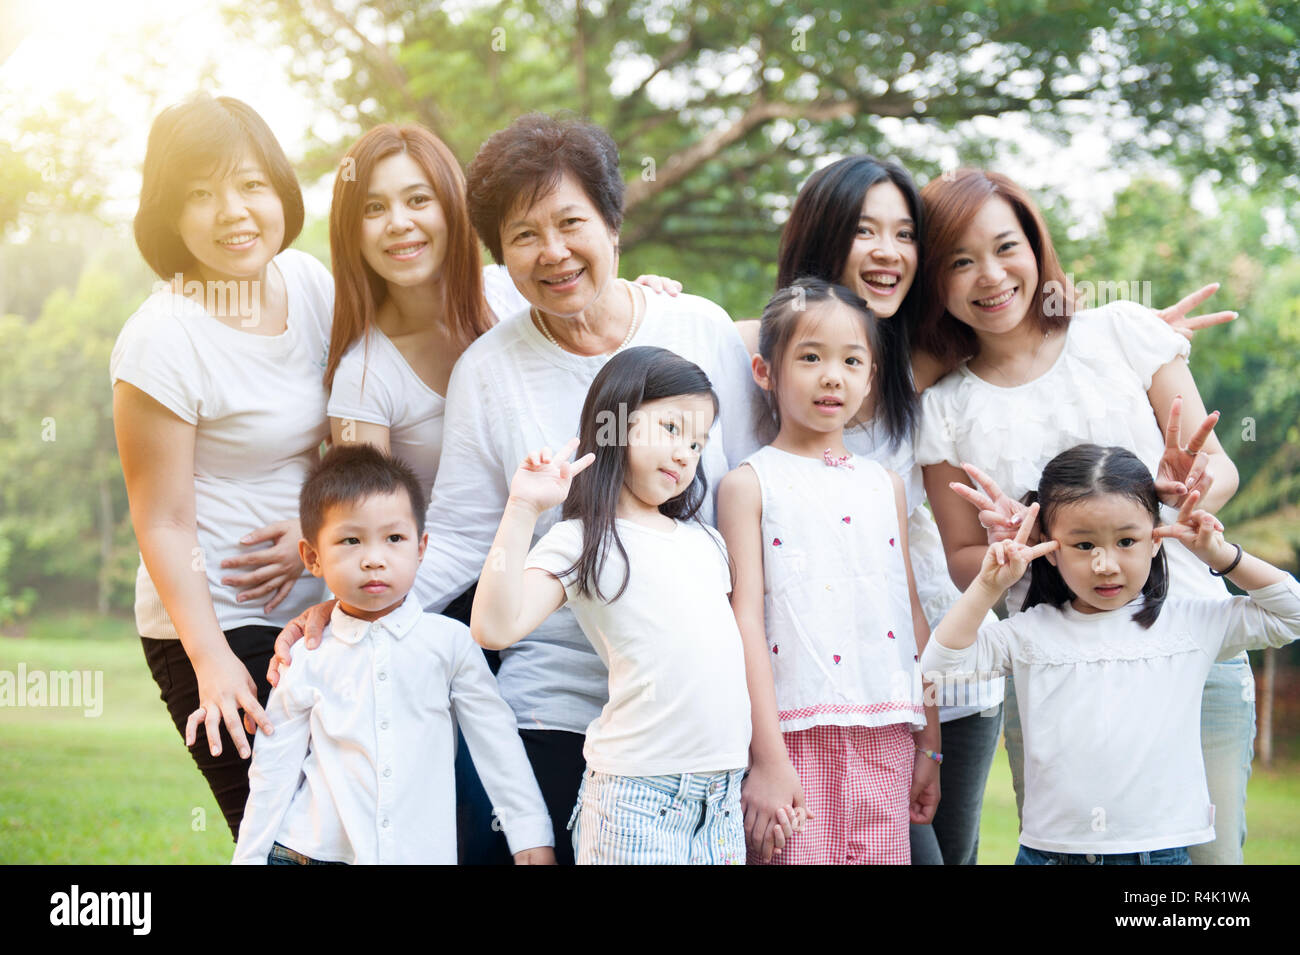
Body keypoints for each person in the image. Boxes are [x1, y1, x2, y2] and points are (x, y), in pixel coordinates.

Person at [270, 113, 761, 865]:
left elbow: (750, 499)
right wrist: (345, 610)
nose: (554, 252)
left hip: (696, 703)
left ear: (614, 225)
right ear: (500, 255)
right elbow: (466, 534)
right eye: (525, 235)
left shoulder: (696, 329)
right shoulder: (489, 370)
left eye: (571, 223)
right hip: (554, 695)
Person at [914, 168, 1253, 864]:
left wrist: (1174, 504)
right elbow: (956, 554)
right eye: (959, 261)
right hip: (1058, 679)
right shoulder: (943, 406)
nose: (990, 275)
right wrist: (1020, 545)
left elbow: (1217, 466)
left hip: (1189, 644)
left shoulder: (1121, 332)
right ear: (935, 281)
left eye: (1006, 246)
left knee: (1214, 870)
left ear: (1037, 245)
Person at [112, 93, 334, 838]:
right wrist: (210, 660)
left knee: (351, 830)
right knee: (280, 836)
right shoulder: (161, 339)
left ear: (280, 190)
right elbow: (162, 519)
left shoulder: (308, 285)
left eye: (250, 184)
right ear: (169, 215)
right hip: (213, 622)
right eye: (200, 194)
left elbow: (355, 423)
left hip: (320, 608)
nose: (233, 211)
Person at [771, 156, 1004, 865]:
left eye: (904, 235)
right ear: (822, 238)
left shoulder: (925, 360)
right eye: (865, 230)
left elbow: (1029, 323)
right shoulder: (764, 357)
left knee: (943, 852)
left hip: (943, 677)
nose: (888, 251)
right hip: (813, 693)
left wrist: (1128, 327)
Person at [921, 444, 1300, 865]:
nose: (1105, 564)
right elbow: (939, 668)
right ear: (1048, 544)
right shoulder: (1031, 632)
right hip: (1051, 855)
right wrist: (989, 585)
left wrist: (1221, 555)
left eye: (1126, 540)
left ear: (1156, 538)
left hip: (1159, 854)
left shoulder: (1190, 624)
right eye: (1083, 545)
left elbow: (1292, 615)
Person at [472, 348, 758, 864]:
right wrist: (521, 509)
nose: (684, 453)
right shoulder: (582, 540)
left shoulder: (707, 543)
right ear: (617, 421)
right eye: (671, 428)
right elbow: (493, 627)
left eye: (697, 442)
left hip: (719, 801)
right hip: (636, 799)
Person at [230, 445, 554, 864]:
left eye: (394, 539)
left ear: (421, 547)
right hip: (309, 854)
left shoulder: (451, 644)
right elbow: (272, 771)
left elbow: (497, 743)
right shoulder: (305, 657)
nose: (374, 559)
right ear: (312, 557)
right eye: (350, 540)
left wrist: (529, 836)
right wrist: (248, 858)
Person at [717, 280, 940, 865]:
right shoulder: (748, 484)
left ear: (871, 377)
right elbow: (744, 620)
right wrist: (766, 758)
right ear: (766, 371)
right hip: (791, 735)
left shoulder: (884, 485)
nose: (832, 376)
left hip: (885, 730)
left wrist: (930, 744)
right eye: (810, 357)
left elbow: (909, 613)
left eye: (851, 360)